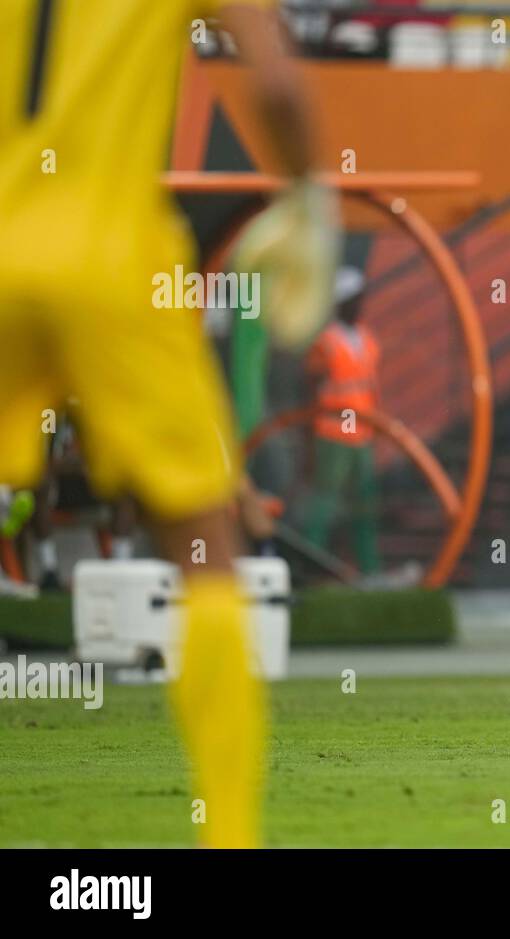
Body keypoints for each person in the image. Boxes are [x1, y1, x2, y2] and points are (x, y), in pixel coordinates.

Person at [0, 1, 334, 847]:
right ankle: (227, 833)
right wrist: (309, 197)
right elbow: (280, 86)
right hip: (113, 259)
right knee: (206, 552)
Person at [303, 266, 382, 576]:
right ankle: (310, 565)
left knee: (365, 506)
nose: (359, 305)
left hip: (362, 433)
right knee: (324, 505)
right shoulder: (327, 341)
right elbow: (311, 385)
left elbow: (369, 384)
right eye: (353, 299)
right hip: (333, 434)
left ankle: (369, 569)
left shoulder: (365, 338)